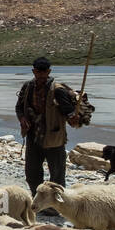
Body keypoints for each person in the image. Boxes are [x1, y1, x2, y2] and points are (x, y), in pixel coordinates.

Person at [15, 56, 76, 195]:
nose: (41, 75)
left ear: (49, 71)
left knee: (57, 174)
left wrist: (73, 118)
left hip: (53, 137)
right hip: (33, 135)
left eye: (44, 72)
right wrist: (22, 118)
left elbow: (69, 113)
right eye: (38, 72)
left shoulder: (58, 90)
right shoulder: (27, 87)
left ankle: (56, 204)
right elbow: (19, 107)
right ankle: (38, 200)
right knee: (32, 172)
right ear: (33, 71)